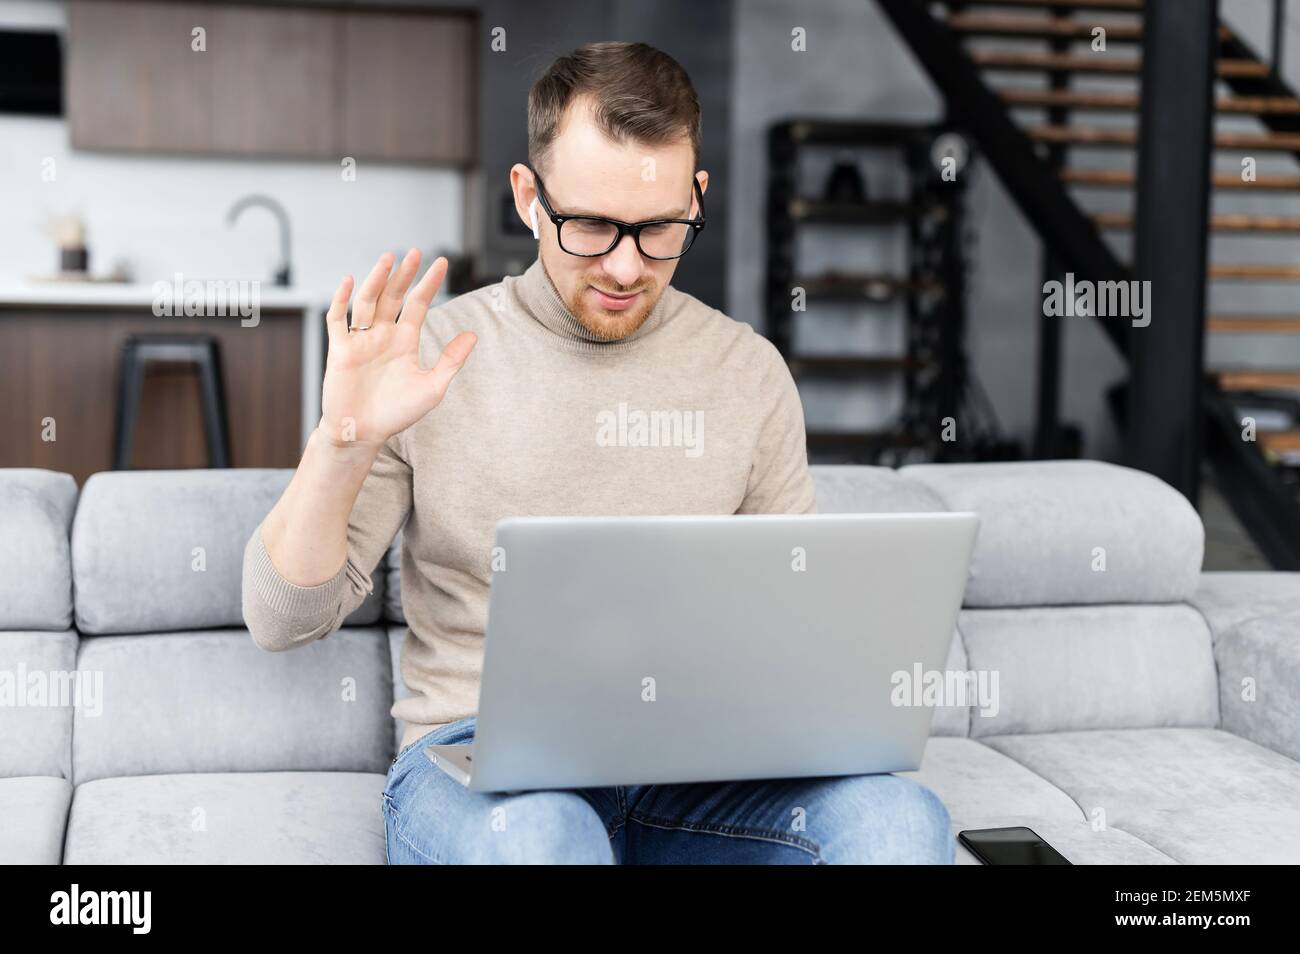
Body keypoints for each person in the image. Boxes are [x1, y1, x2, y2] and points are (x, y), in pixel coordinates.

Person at [242, 40, 953, 865]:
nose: (624, 266)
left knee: (900, 823)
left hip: (696, 771)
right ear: (528, 198)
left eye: (659, 230)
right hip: (484, 771)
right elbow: (282, 620)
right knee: (549, 839)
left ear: (697, 196)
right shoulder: (430, 359)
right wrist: (343, 440)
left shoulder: (748, 372)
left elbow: (793, 635)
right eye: (589, 226)